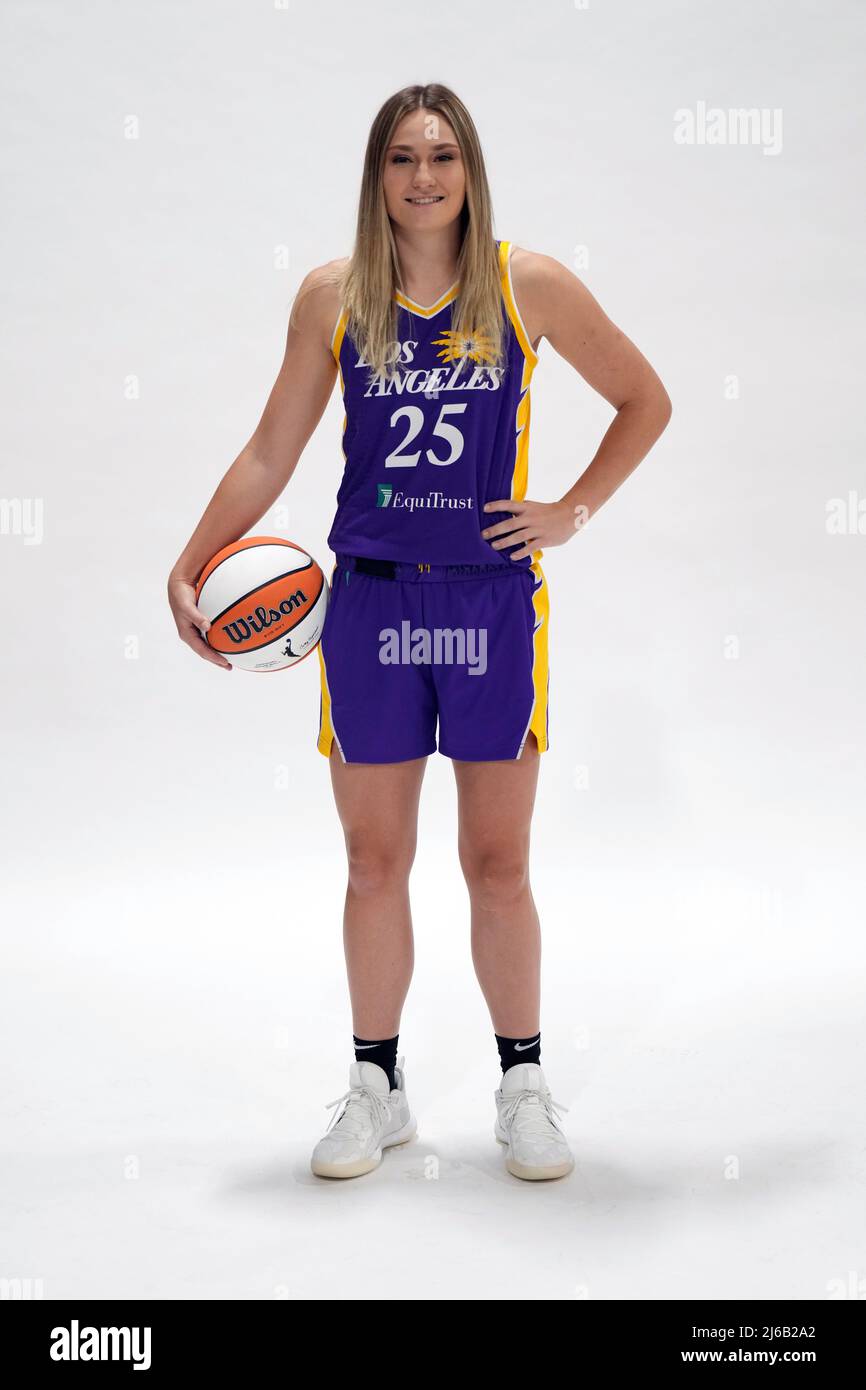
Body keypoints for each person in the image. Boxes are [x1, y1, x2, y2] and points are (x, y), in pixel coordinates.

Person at [167, 82, 672, 1183]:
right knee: (371, 858)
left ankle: (522, 1083)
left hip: (491, 603)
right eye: (402, 158)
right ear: (376, 174)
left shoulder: (522, 282)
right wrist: (192, 559)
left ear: (469, 169)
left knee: (496, 861)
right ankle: (375, 1085)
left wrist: (567, 513)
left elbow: (644, 398)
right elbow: (270, 449)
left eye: (442, 156)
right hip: (372, 603)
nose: (424, 177)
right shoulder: (334, 296)